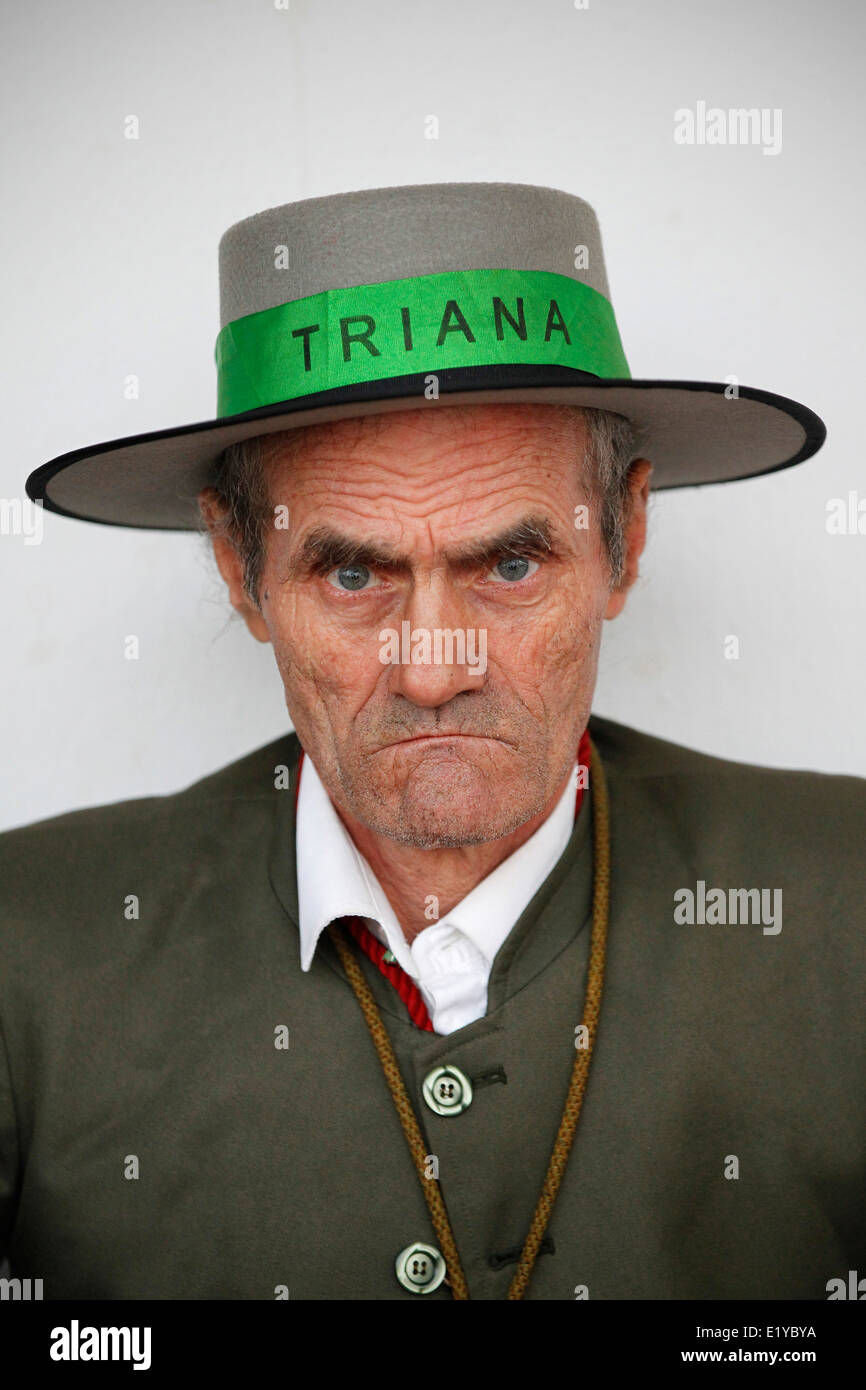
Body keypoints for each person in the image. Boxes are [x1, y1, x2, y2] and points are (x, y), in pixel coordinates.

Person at [3, 183, 861, 1301]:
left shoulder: (845, 893)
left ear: (626, 536)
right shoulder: (26, 946)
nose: (433, 667)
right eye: (352, 573)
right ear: (237, 565)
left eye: (508, 566)